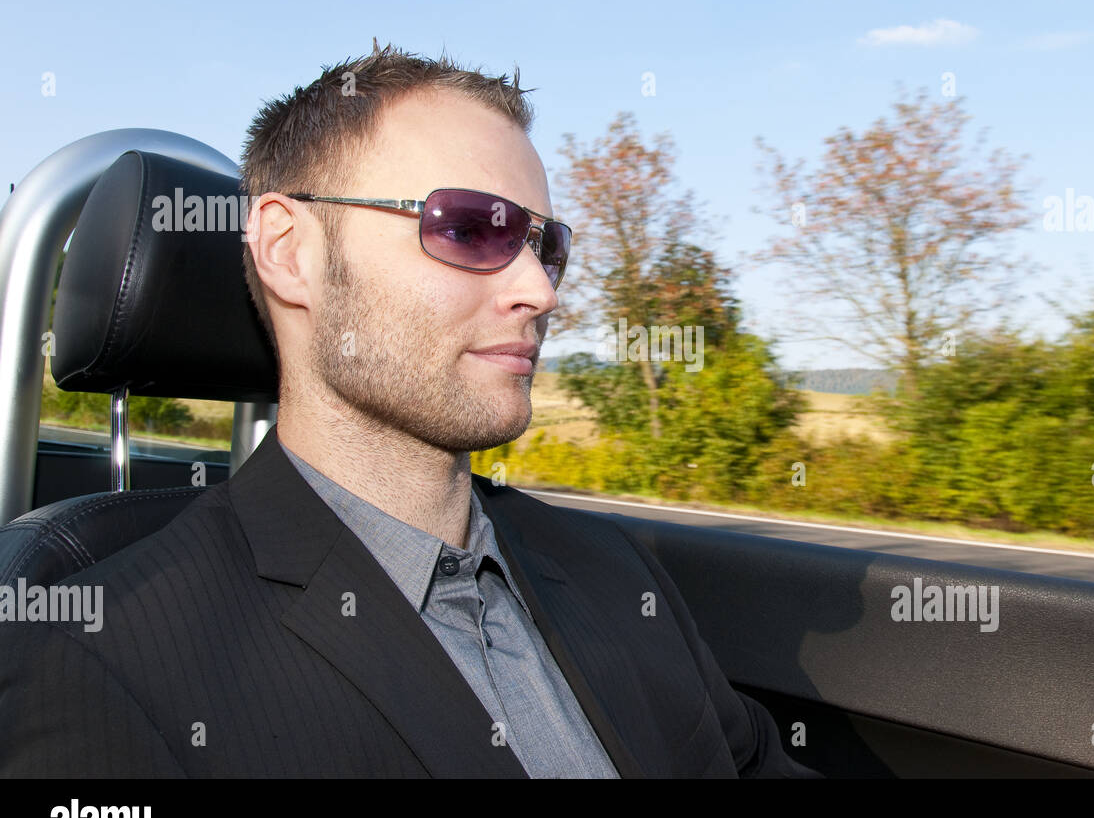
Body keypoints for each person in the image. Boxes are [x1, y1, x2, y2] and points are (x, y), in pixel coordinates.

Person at [0, 46, 820, 778]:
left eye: (547, 245)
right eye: (471, 228)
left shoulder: (613, 567)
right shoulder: (102, 666)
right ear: (290, 252)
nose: (539, 290)